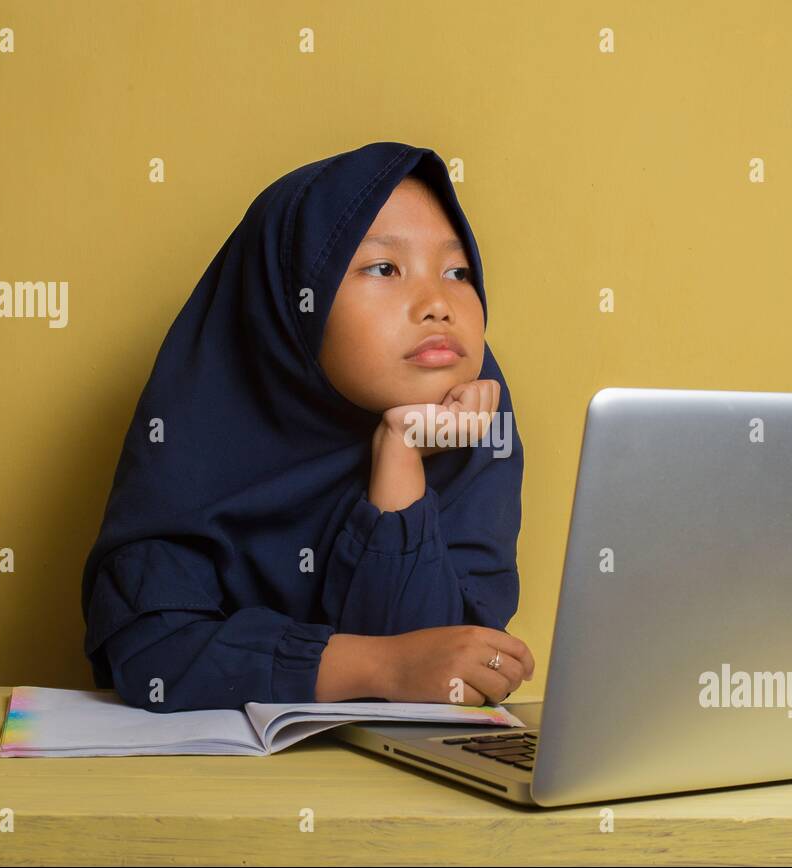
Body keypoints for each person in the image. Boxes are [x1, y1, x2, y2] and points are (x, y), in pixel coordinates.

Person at [78, 142, 534, 713]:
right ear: (288, 305)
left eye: (457, 271)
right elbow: (153, 653)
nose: (438, 303)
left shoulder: (475, 426)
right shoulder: (197, 428)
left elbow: (440, 683)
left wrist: (400, 454)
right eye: (384, 268)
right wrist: (381, 665)